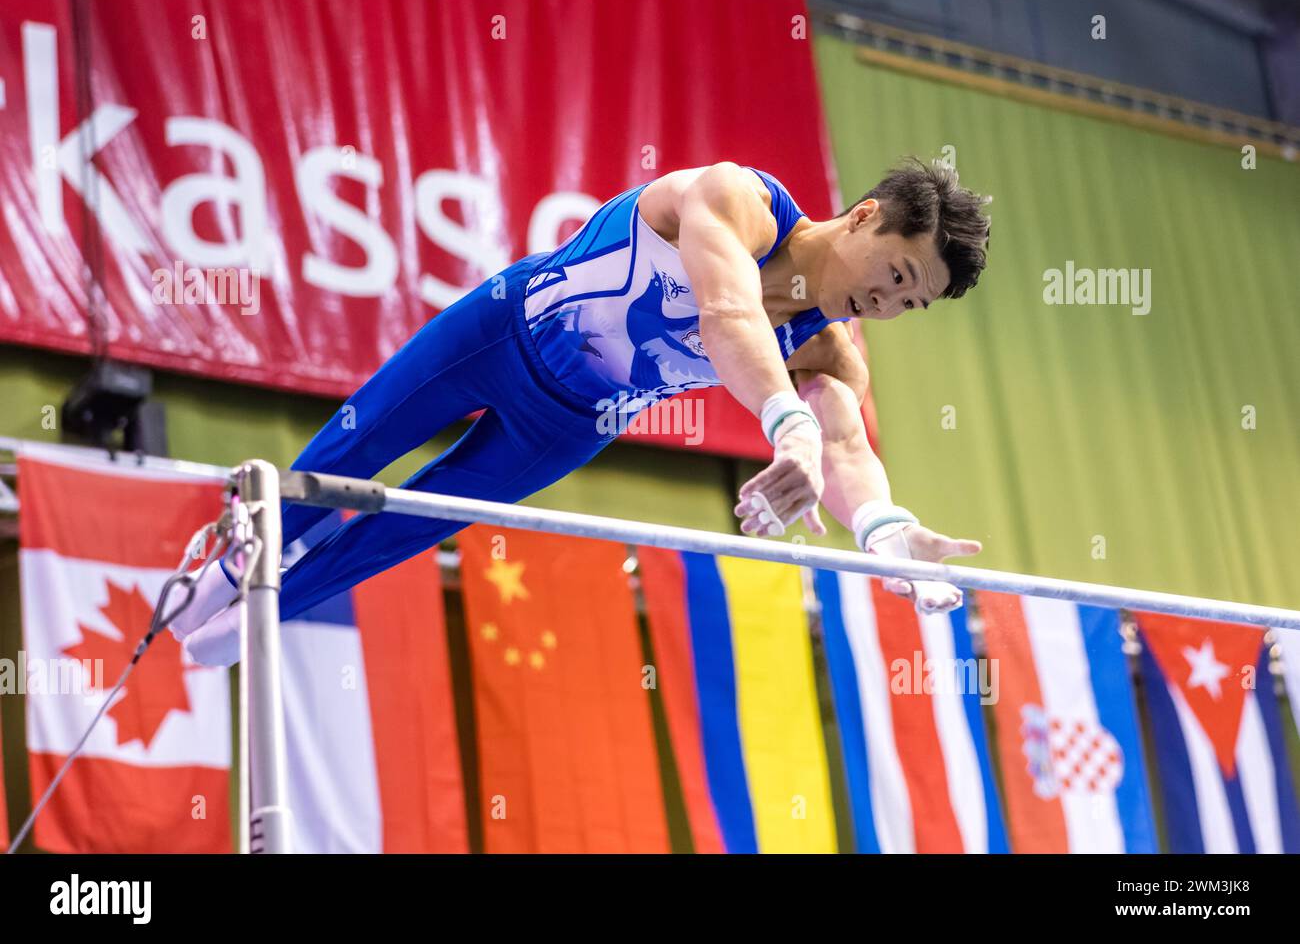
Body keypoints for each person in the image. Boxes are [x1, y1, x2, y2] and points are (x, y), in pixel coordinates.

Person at [171, 158, 991, 665]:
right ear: (866, 217)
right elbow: (728, 316)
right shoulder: (736, 199)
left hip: (570, 424)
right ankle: (230, 556)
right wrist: (789, 423)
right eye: (894, 271)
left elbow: (846, 441)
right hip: (498, 330)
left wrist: (883, 526)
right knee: (341, 464)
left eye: (906, 303)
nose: (882, 301)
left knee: (406, 525)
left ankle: (264, 611)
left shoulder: (830, 346)